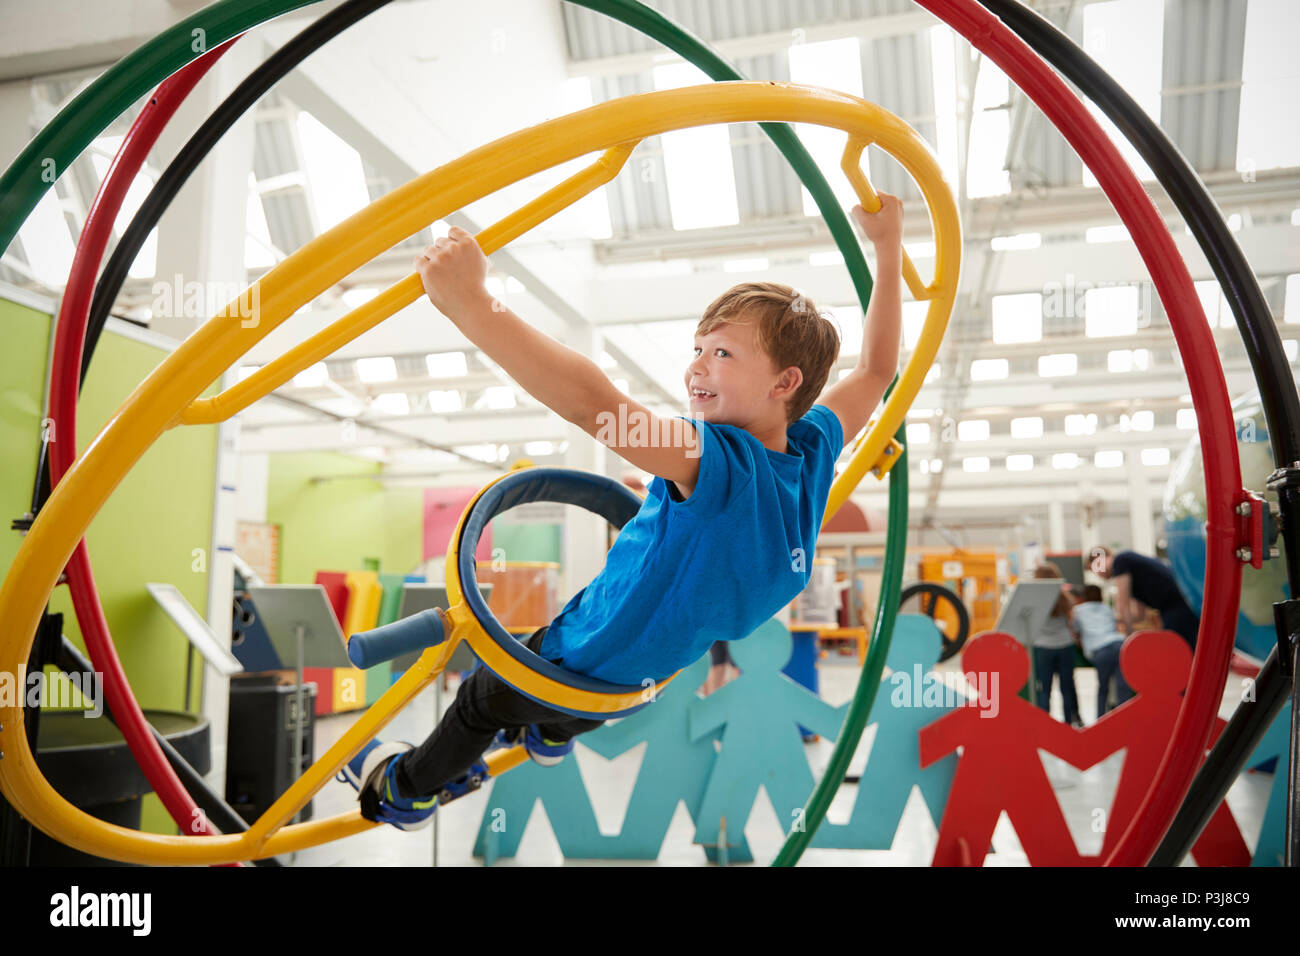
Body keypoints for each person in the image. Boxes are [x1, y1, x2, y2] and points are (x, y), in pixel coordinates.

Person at [339, 196, 907, 829]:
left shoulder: (712, 459)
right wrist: (887, 247)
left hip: (583, 661)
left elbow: (592, 404)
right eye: (698, 347)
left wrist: (473, 303)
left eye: (722, 353)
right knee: (565, 685)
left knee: (479, 701)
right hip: (640, 678)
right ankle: (553, 734)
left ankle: (405, 791)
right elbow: (879, 370)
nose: (696, 366)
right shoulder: (811, 446)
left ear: (784, 384)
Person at [1091, 546, 1199, 649]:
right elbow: (1139, 615)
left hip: (1177, 605)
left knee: (1180, 650)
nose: (1098, 573)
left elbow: (1123, 606)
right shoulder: (1131, 571)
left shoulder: (1120, 561)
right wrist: (1110, 620)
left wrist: (1128, 639)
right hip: (1174, 607)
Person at [1028, 562, 1081, 728]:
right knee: (1067, 688)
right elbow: (1073, 624)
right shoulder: (1065, 598)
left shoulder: (1034, 600)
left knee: (1045, 689)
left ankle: (1044, 725)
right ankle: (1068, 723)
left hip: (1043, 647)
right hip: (1065, 645)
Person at [1069, 584, 1133, 719]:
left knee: (1103, 688)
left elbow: (1074, 632)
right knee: (1122, 686)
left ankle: (1100, 720)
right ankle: (1125, 720)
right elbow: (1114, 627)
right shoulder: (1107, 609)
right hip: (1119, 645)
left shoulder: (1078, 611)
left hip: (1099, 650)